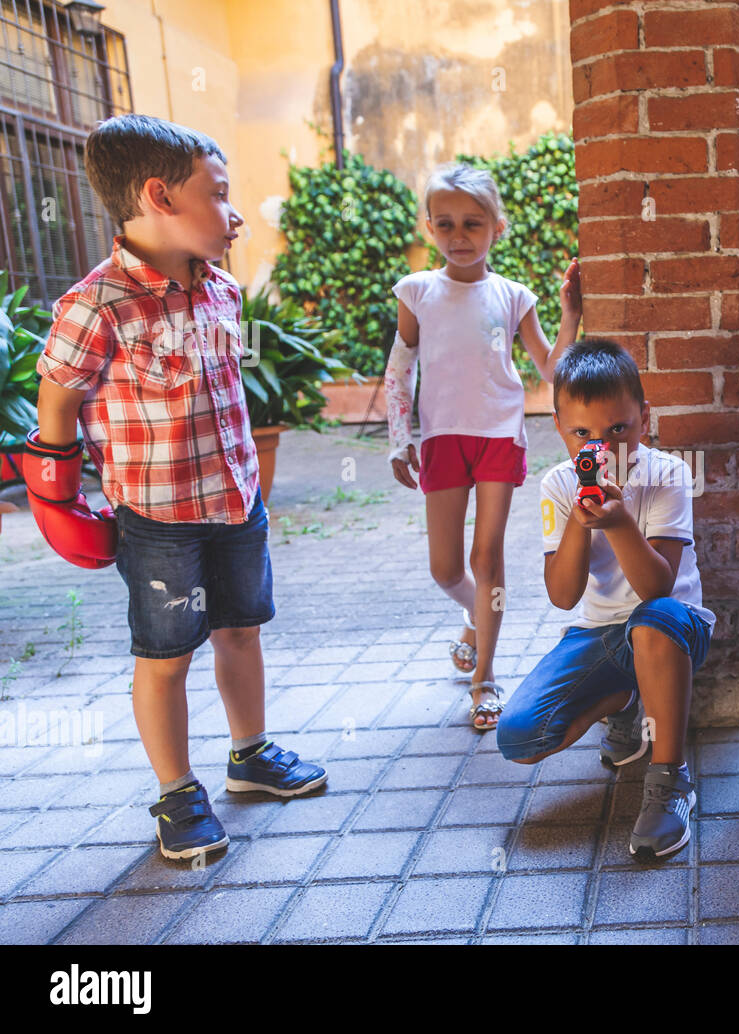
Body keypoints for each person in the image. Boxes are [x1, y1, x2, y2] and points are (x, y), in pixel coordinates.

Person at [30, 114, 325, 861]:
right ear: (160, 196)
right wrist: (55, 491)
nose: (234, 214)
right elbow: (57, 397)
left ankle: (250, 753)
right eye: (219, 195)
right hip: (158, 518)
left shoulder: (221, 290)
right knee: (165, 656)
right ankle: (177, 791)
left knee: (241, 628)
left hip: (236, 499)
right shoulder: (97, 304)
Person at [495, 340, 714, 860]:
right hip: (601, 635)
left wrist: (617, 524)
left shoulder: (667, 474)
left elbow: (658, 588)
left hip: (674, 629)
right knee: (519, 738)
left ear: (644, 419)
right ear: (558, 428)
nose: (602, 447)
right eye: (583, 434)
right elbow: (563, 595)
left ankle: (670, 778)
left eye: (618, 429)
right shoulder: (556, 486)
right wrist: (580, 515)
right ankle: (626, 700)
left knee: (653, 619)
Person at [385, 162, 580, 730]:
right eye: (444, 224)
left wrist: (570, 316)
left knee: (485, 557)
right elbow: (400, 369)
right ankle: (476, 615)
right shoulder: (416, 292)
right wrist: (400, 439)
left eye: (472, 223)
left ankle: (485, 679)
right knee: (446, 569)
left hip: (498, 433)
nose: (458, 236)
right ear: (429, 228)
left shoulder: (514, 296)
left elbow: (550, 369)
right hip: (441, 438)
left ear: (498, 227)